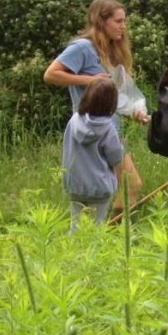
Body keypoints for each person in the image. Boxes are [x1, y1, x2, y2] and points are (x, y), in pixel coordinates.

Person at [44, 0, 147, 214]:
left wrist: (133, 112)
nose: (123, 26)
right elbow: (51, 74)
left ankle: (106, 238)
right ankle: (114, 236)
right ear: (101, 21)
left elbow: (115, 96)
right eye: (118, 21)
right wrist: (88, 80)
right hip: (89, 132)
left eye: (124, 21)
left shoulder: (112, 52)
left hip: (111, 131)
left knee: (121, 189)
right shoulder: (82, 48)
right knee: (126, 186)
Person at [62, 79, 125, 234]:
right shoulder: (108, 128)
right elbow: (115, 158)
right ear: (111, 103)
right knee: (97, 227)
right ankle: (93, 255)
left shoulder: (74, 120)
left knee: (75, 225)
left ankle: (72, 254)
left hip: (75, 184)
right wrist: (121, 145)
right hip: (99, 186)